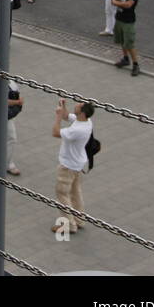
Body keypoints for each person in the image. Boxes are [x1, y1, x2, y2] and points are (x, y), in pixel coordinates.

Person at [51, 100, 94, 235]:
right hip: (77, 163)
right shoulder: (86, 121)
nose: (76, 104)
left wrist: (57, 116)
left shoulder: (77, 130)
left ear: (82, 112)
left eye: (79, 106)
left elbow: (56, 132)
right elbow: (67, 116)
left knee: (62, 193)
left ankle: (69, 225)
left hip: (68, 165)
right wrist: (63, 107)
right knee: (75, 192)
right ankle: (79, 219)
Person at [111, 0, 140, 76]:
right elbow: (113, 1)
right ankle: (125, 58)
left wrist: (117, 2)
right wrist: (118, 3)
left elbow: (128, 5)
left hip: (128, 21)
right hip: (119, 18)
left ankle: (136, 64)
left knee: (130, 44)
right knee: (122, 41)